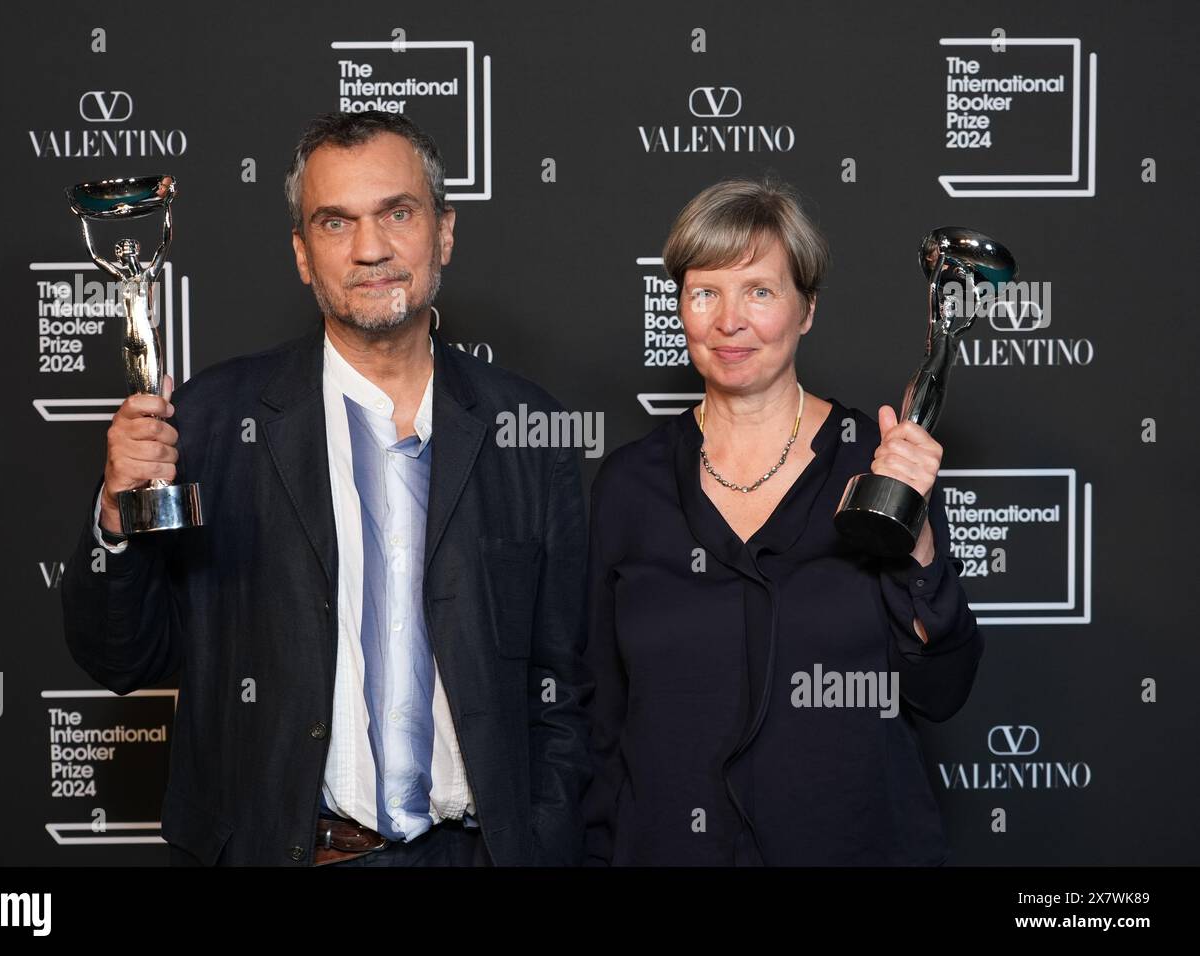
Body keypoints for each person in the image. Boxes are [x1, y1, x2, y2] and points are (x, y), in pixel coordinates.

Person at [60, 110, 591, 867]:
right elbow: (122, 658)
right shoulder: (212, 422)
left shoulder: (528, 429)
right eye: (335, 223)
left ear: (444, 231)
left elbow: (563, 687)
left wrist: (541, 842)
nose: (370, 249)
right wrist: (117, 514)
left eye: (396, 213)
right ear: (303, 255)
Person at [581, 177, 985, 866]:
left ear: (807, 310)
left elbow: (940, 691)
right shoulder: (628, 484)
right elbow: (597, 721)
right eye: (705, 292)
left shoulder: (877, 463)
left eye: (759, 292)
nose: (728, 321)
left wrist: (914, 535)